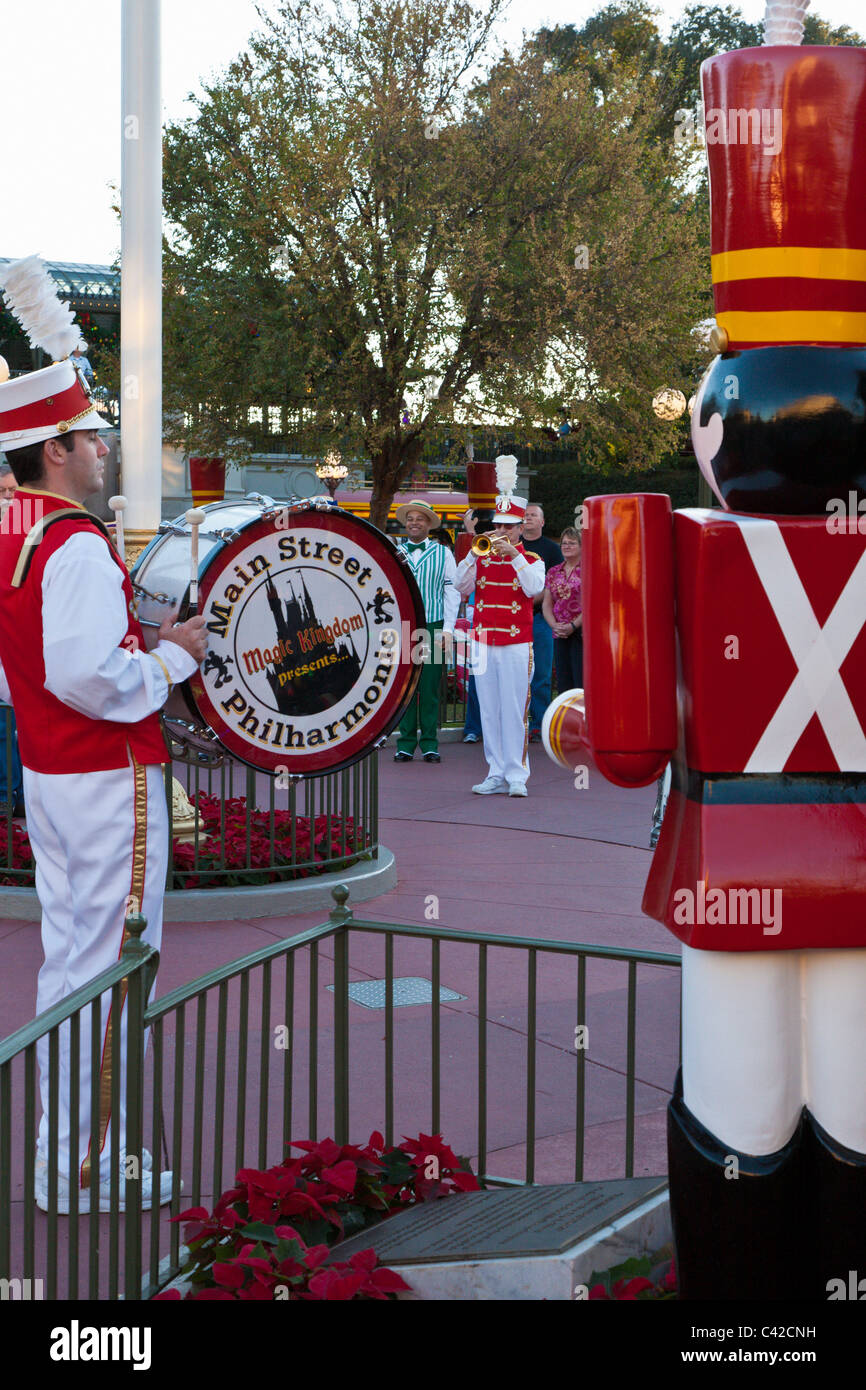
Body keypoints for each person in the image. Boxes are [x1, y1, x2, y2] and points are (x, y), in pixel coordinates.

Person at [0, 282, 207, 1215]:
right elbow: (92, 674)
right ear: (55, 450)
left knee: (72, 962)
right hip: (104, 776)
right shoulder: (74, 541)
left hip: (57, 775)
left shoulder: (22, 540)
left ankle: (73, 1158)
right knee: (113, 969)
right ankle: (80, 1169)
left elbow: (32, 672)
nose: (104, 449)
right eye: (90, 438)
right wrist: (172, 657)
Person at [456, 460, 545, 796]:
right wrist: (472, 550)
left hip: (515, 642)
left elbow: (533, 589)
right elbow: (460, 586)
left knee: (513, 708)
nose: (503, 533)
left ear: (521, 528)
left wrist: (515, 555)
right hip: (482, 642)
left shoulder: (533, 559)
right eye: (500, 526)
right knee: (490, 709)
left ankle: (517, 775)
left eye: (510, 527)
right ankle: (495, 771)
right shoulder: (482, 555)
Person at [393, 500, 458, 762]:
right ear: (405, 523)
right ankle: (405, 743)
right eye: (410, 519)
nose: (414, 523)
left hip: (433, 624)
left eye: (420, 519)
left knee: (429, 687)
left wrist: (448, 629)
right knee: (405, 688)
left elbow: (451, 592)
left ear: (429, 524)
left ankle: (430, 742)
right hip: (403, 626)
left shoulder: (444, 554)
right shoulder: (394, 552)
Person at [519, 503, 562, 741]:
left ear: (542, 522)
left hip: (539, 619)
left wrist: (528, 602)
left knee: (542, 675)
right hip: (513, 620)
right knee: (516, 675)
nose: (529, 518)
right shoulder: (513, 546)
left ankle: (540, 724)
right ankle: (518, 723)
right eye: (525, 515)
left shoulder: (552, 550)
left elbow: (552, 585)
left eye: (534, 515)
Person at [0, 462, 24, 816]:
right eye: (2, 492)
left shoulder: (27, 531)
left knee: (9, 725)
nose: (7, 498)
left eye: (13, 493)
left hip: (17, 641)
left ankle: (9, 797)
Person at [542, 525, 582, 693]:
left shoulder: (589, 570)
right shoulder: (553, 572)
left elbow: (591, 603)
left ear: (582, 546)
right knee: (563, 680)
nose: (566, 546)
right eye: (564, 543)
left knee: (580, 678)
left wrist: (573, 626)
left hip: (582, 632)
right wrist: (554, 626)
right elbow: (547, 603)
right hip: (559, 633)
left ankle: (584, 717)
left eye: (571, 543)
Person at [459, 509, 482, 743]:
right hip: (480, 624)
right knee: (476, 677)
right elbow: (461, 582)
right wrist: (471, 531)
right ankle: (474, 727)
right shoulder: (482, 550)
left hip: (508, 628)